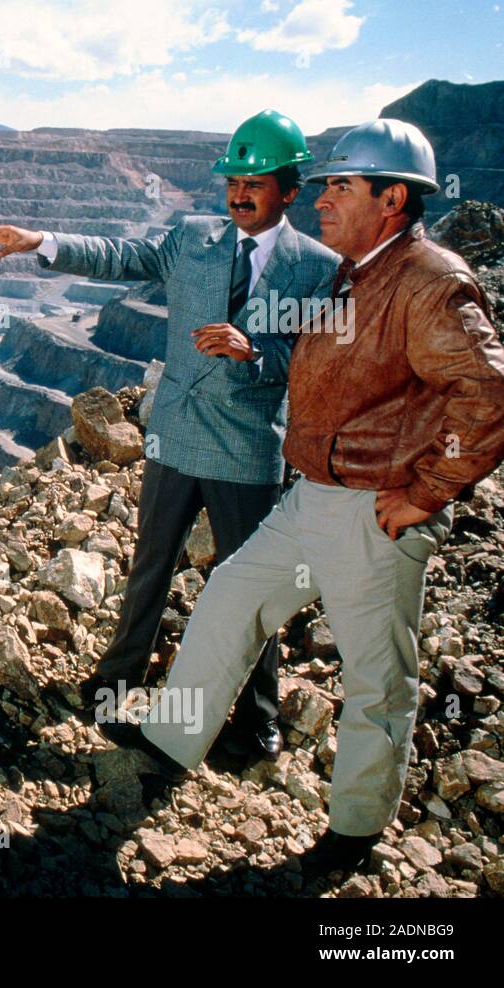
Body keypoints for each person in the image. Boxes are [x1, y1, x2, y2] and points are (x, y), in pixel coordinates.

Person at [111, 118, 504, 879]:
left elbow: (488, 393)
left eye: (341, 188)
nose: (322, 201)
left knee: (376, 679)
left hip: (373, 512)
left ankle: (353, 830)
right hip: (311, 496)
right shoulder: (354, 272)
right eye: (322, 187)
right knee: (229, 597)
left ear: (393, 199)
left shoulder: (430, 281)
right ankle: (171, 741)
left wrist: (427, 491)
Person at [0, 110, 339, 760]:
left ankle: (257, 725)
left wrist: (254, 353)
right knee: (149, 572)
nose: (239, 193)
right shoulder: (190, 240)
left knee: (248, 588)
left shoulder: (319, 269)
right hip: (174, 438)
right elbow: (121, 257)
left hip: (246, 452)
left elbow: (318, 364)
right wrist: (43, 242)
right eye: (233, 180)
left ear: (289, 188)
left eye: (256, 181)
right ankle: (112, 690)